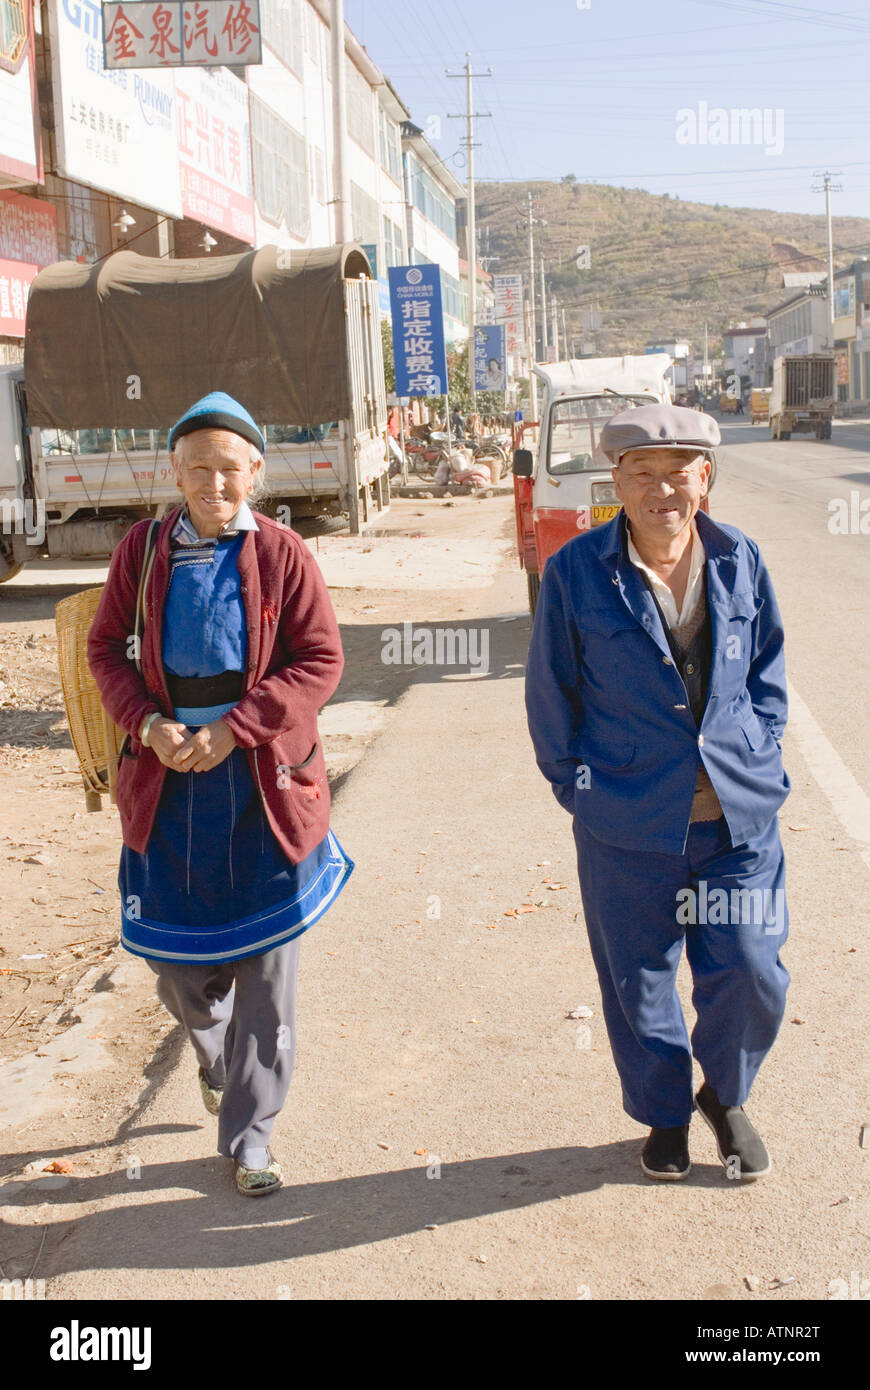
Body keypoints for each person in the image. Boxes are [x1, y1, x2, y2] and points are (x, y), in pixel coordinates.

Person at [88, 391, 353, 1198]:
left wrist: (239, 728)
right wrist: (147, 724)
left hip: (261, 785)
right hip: (165, 785)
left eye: (229, 468)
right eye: (197, 466)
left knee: (268, 979)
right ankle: (214, 1055)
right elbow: (105, 649)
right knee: (174, 964)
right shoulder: (142, 550)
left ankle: (251, 1135)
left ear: (256, 472)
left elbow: (320, 659)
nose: (214, 482)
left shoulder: (281, 552)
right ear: (174, 470)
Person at [525, 403, 790, 1182]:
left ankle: (726, 1096)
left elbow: (768, 671)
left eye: (679, 473)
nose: (662, 489)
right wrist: (581, 793)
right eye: (643, 474)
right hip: (628, 826)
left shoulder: (741, 559)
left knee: (752, 970)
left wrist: (757, 750)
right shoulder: (577, 572)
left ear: (704, 480)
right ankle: (666, 1113)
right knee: (638, 983)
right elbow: (551, 695)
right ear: (617, 482)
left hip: (736, 822)